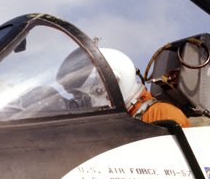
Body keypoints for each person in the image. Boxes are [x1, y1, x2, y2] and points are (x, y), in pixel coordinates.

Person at [59, 46, 189, 127]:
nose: (81, 104)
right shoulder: (113, 123)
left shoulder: (163, 116)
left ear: (109, 85)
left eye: (81, 96)